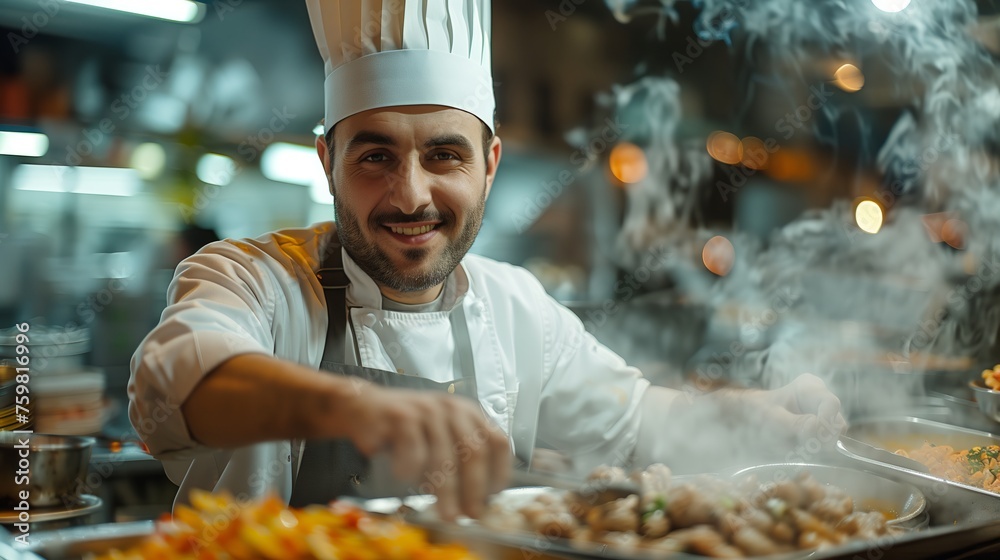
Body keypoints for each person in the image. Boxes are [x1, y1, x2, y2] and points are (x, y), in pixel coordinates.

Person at [128, 0, 844, 521]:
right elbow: (170, 383)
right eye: (375, 156)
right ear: (327, 162)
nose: (411, 195)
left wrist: (756, 414)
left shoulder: (516, 307)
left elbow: (640, 425)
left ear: (490, 164)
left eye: (444, 155)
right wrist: (354, 408)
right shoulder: (253, 279)